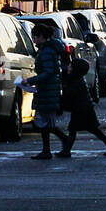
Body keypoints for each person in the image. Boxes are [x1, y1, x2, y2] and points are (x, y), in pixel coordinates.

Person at [27, 23, 70, 160]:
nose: (33, 40)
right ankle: (52, 147)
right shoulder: (49, 49)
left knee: (44, 121)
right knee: (45, 121)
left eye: (35, 37)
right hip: (49, 89)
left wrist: (31, 80)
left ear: (40, 36)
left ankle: (55, 145)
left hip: (47, 89)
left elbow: (48, 72)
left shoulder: (46, 51)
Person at [58, 58, 106, 157]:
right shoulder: (76, 79)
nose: (68, 67)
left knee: (74, 129)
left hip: (81, 108)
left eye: (71, 66)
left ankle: (66, 151)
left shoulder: (75, 81)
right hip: (84, 107)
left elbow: (70, 94)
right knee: (90, 128)